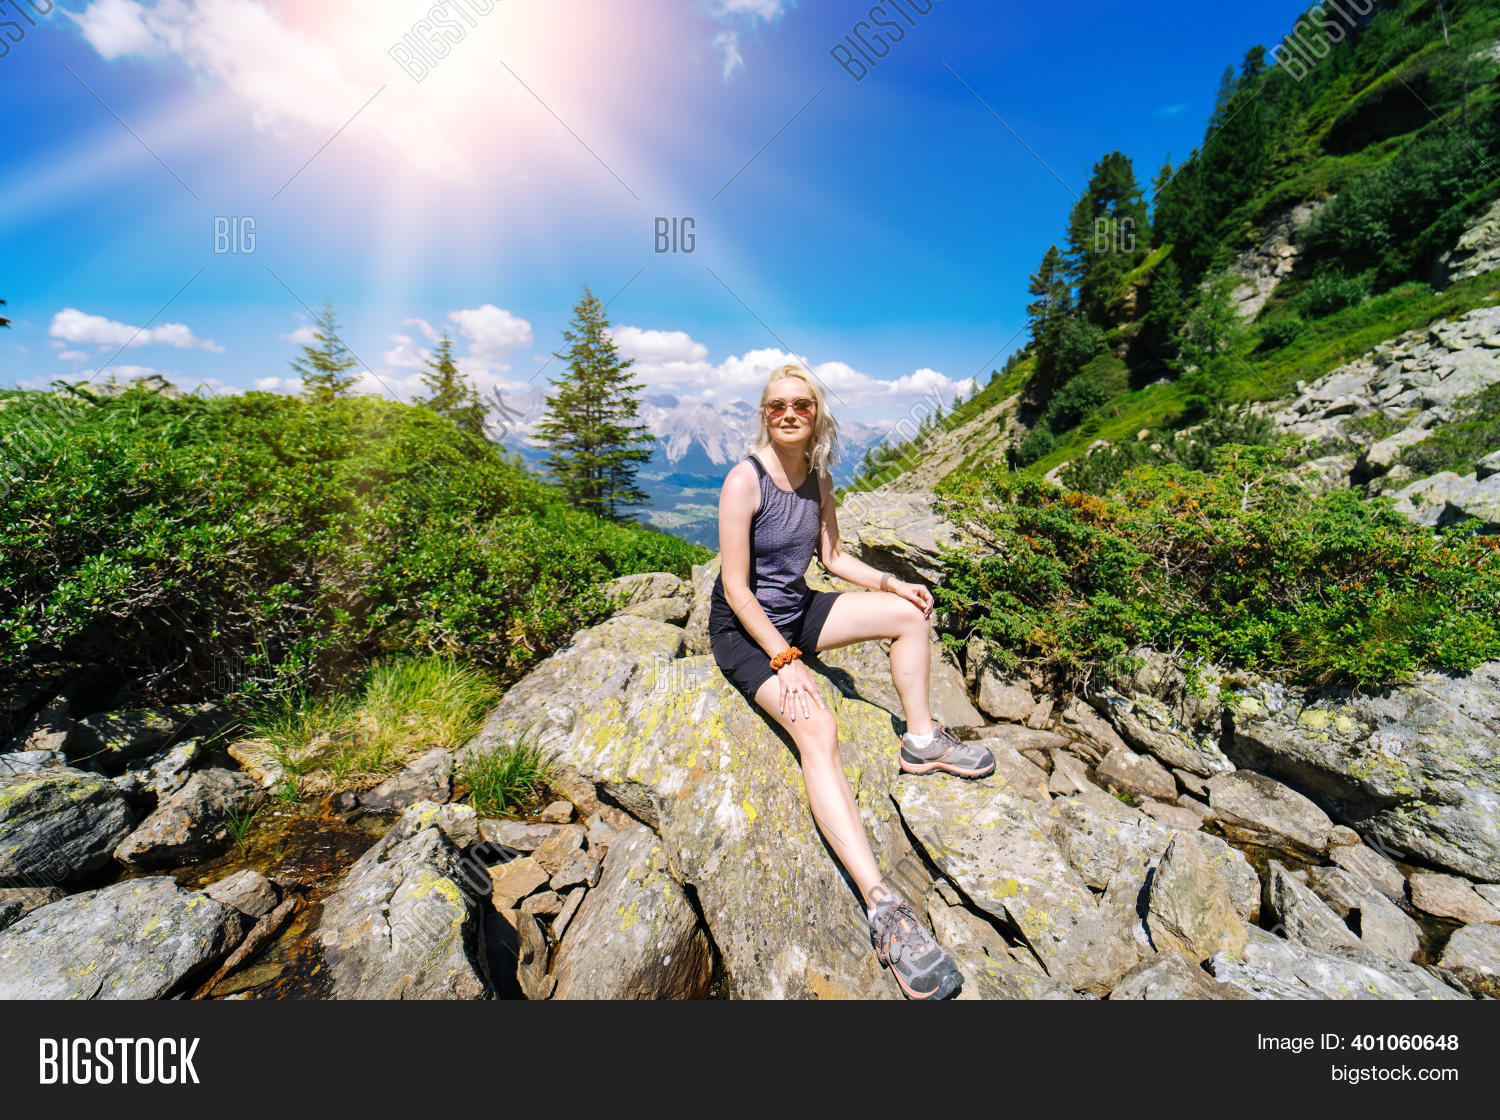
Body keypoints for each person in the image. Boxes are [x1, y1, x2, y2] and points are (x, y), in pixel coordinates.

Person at [707, 363, 997, 1000]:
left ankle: (922, 743)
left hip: (797, 608)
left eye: (801, 405)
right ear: (764, 413)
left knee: (911, 615)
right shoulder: (743, 481)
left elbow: (832, 558)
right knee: (821, 729)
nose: (789, 413)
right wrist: (785, 659)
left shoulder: (819, 478)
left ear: (816, 414)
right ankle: (882, 905)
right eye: (778, 404)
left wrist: (895, 583)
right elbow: (734, 589)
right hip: (745, 632)